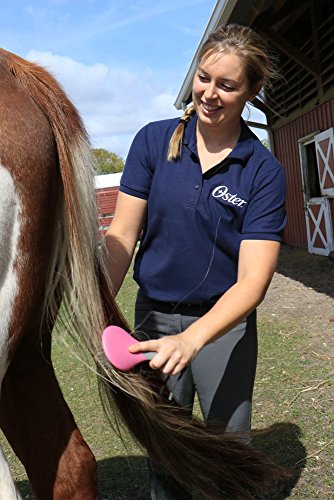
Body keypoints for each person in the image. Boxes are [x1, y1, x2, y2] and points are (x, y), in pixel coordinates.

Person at [104, 23, 286, 499]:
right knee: (166, 450)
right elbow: (122, 234)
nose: (209, 93)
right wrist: (99, 303)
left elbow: (253, 281)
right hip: (153, 318)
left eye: (227, 85)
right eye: (204, 78)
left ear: (252, 90)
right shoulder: (152, 141)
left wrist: (193, 338)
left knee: (229, 447)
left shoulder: (262, 170)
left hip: (223, 328)